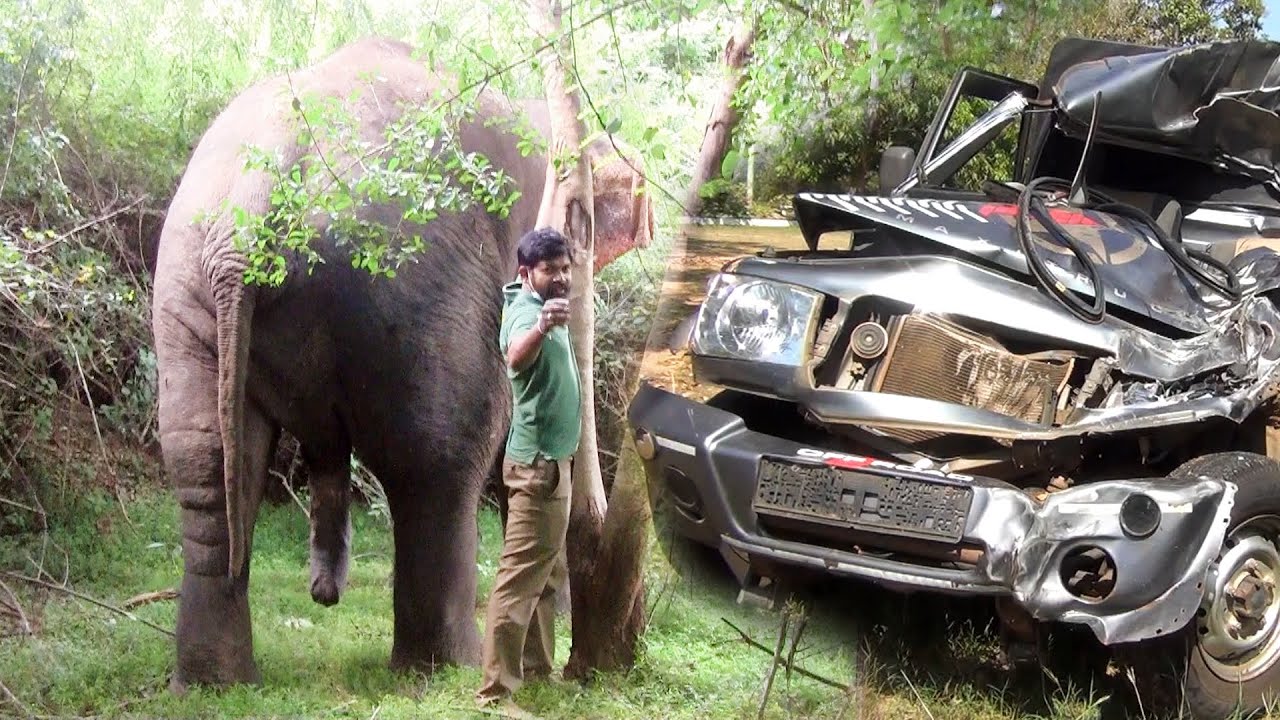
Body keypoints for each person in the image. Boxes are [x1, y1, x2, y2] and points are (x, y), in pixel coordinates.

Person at [476, 227, 581, 713]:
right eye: (549, 270)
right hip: (539, 467)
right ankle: (495, 693)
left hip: (554, 462)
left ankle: (536, 667)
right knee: (519, 580)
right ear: (526, 274)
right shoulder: (523, 310)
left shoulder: (548, 302)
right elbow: (515, 355)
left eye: (564, 268)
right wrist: (542, 324)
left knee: (546, 573)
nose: (560, 277)